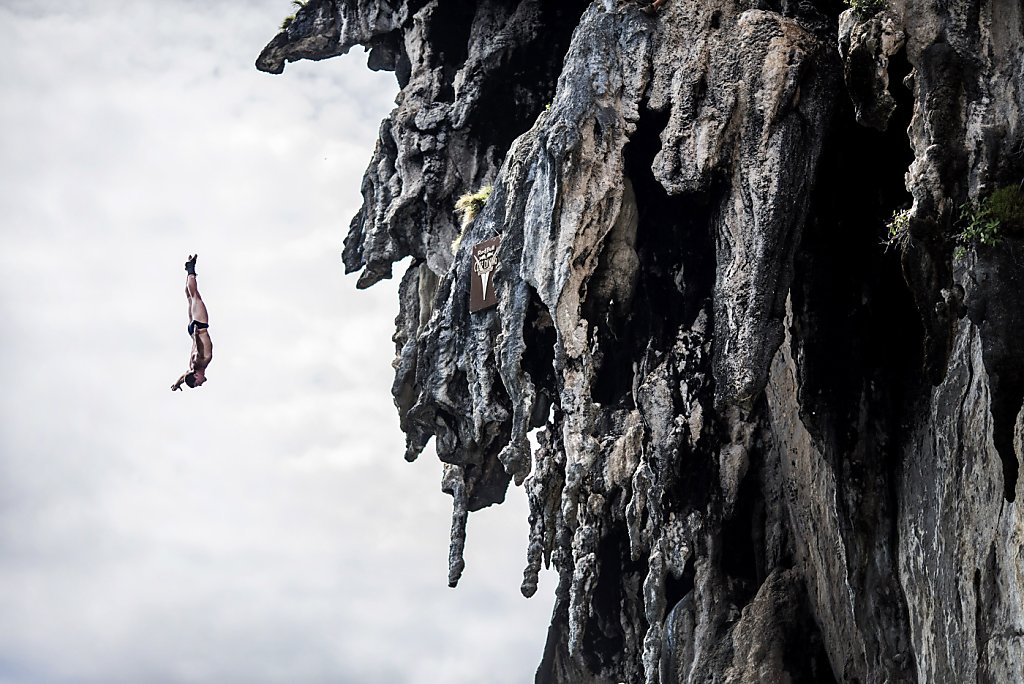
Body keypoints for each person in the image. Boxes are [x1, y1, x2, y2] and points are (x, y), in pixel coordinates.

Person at [171, 255, 213, 390]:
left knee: (194, 295)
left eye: (198, 383)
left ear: (195, 376)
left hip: (199, 328)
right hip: (193, 330)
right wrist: (177, 384)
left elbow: (201, 350)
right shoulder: (191, 368)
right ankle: (188, 271)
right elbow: (185, 377)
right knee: (190, 297)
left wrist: (196, 334)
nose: (201, 383)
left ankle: (190, 268)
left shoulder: (201, 363)